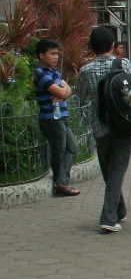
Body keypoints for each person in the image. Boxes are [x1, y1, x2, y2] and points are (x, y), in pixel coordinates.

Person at [76, 27, 131, 232]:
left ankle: (120, 210)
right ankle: (109, 218)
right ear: (112, 45)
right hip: (124, 124)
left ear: (91, 48)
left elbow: (81, 98)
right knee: (116, 172)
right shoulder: (124, 64)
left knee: (109, 170)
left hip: (100, 126)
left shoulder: (85, 71)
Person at [33, 38, 79, 197]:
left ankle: (61, 182)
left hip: (61, 116)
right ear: (41, 55)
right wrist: (63, 90)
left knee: (72, 149)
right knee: (59, 151)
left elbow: (68, 90)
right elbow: (62, 92)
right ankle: (62, 183)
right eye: (52, 54)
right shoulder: (40, 73)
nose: (56, 57)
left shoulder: (54, 72)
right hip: (51, 117)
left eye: (57, 54)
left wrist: (64, 90)